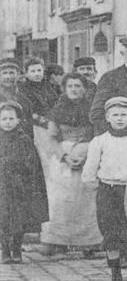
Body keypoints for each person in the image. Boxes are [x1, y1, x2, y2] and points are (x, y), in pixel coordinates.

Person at [82, 96, 127, 281]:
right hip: (108, 191)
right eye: (115, 115)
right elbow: (89, 171)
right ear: (107, 117)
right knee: (110, 233)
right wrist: (99, 188)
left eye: (123, 115)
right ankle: (116, 277)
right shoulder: (99, 141)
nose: (119, 118)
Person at [39, 72, 102, 257]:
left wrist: (87, 154)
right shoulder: (57, 110)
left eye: (78, 86)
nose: (74, 90)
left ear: (85, 89)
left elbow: (98, 136)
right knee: (60, 201)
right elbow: (51, 138)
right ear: (64, 89)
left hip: (88, 156)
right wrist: (64, 156)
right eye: (70, 86)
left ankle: (88, 243)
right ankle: (57, 242)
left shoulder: (92, 110)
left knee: (87, 201)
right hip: (63, 160)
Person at [0, 101, 47, 264]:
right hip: (2, 186)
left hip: (19, 186)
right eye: (4, 119)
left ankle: (16, 248)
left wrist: (25, 178)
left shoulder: (24, 139)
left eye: (11, 119)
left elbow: (32, 164)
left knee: (18, 219)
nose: (7, 122)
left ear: (18, 120)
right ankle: (5, 250)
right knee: (3, 218)